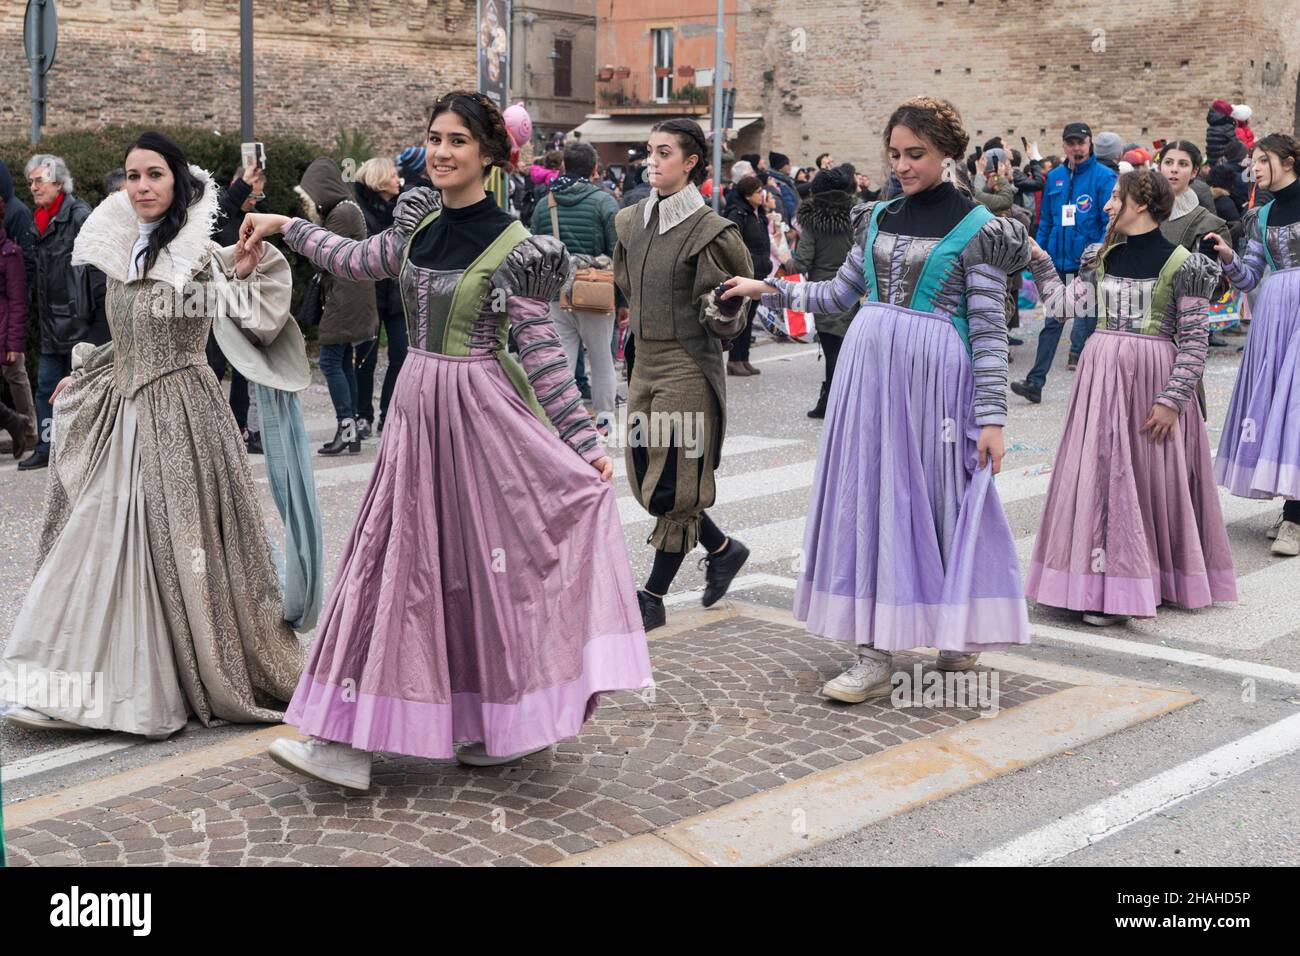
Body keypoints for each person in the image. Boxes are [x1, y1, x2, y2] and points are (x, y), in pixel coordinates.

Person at [239, 91, 651, 786]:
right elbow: (356, 259)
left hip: (479, 416)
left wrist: (584, 444)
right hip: (414, 412)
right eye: (434, 137)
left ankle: (482, 725)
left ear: (490, 154)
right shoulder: (417, 221)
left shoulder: (519, 248)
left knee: (473, 577)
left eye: (457, 140)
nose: (440, 151)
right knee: (392, 564)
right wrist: (286, 224)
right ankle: (350, 738)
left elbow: (544, 355)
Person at [2, 132, 321, 737]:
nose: (141, 187)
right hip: (123, 407)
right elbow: (126, 338)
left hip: (183, 415)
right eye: (132, 176)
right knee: (99, 536)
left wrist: (237, 272)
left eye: (154, 175)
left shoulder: (197, 254)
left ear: (177, 182)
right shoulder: (128, 249)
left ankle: (176, 675)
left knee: (181, 549)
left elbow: (244, 316)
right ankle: (77, 678)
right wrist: (89, 372)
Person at [723, 96, 1032, 701]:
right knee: (870, 496)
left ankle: (954, 629)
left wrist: (992, 418)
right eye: (895, 154)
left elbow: (992, 331)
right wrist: (768, 288)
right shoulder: (875, 216)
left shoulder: (984, 230)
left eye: (916, 154)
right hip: (867, 373)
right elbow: (839, 294)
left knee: (942, 498)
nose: (903, 165)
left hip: (939, 383)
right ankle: (874, 649)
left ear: (948, 154)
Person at [1024, 168, 1236, 626]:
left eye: (1114, 197)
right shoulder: (1100, 259)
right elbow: (1064, 308)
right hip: (1099, 377)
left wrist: (1172, 399)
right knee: (1103, 475)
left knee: (1140, 477)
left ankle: (1132, 586)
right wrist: (1039, 259)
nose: (1106, 205)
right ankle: (1097, 582)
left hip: (1151, 379)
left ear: (1139, 202)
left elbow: (1196, 341)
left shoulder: (1185, 264)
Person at [613, 117, 755, 632]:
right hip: (643, 362)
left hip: (688, 366)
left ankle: (652, 596)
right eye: (649, 151)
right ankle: (722, 548)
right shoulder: (629, 222)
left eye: (665, 152)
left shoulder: (711, 232)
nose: (652, 160)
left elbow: (725, 316)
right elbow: (627, 286)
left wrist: (721, 307)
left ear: (691, 162)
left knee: (676, 480)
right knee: (650, 475)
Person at [1204, 133, 1300, 556]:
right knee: (1278, 404)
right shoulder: (1260, 216)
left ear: (1289, 161)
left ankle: (1296, 517)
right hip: (1274, 313)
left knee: (1295, 403)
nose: (1255, 168)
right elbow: (1250, 276)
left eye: (1264, 161)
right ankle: (1293, 504)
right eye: (1254, 161)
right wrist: (1228, 255)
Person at [1011, 122, 1116, 403]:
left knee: (1091, 325)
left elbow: (1110, 221)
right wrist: (1038, 256)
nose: (1076, 148)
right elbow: (1045, 220)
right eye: (1070, 143)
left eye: (1080, 142)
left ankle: (1097, 390)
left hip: (1087, 266)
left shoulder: (1104, 177)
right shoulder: (1055, 177)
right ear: (1064, 146)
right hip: (1057, 262)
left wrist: (1100, 255)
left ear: (1090, 143)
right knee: (1052, 324)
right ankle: (1035, 383)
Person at [19, 154, 108, 471]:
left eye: (38, 181)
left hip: (78, 322)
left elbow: (96, 272)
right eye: (30, 182)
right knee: (45, 387)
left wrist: (96, 320)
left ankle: (84, 448)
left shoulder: (80, 216)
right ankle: (46, 447)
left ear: (58, 182)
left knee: (81, 389)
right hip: (49, 324)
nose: (32, 187)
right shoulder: (39, 219)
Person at [529, 140, 621, 428]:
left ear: (564, 166)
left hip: (557, 294)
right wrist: (625, 301)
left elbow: (535, 250)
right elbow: (619, 253)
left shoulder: (545, 205)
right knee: (602, 359)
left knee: (563, 359)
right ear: (594, 169)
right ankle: (605, 420)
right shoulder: (605, 202)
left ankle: (562, 419)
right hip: (597, 292)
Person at [295, 158, 377, 456]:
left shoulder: (340, 214)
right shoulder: (348, 208)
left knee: (330, 361)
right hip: (353, 295)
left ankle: (346, 425)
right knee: (343, 362)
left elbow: (322, 257)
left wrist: (307, 232)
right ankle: (351, 429)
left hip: (345, 298)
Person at [782, 167, 856, 417]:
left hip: (824, 292)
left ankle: (830, 402)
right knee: (848, 348)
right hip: (855, 289)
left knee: (832, 349)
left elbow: (802, 262)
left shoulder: (813, 221)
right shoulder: (859, 216)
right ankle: (846, 401)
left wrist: (785, 263)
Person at [207, 164, 267, 454]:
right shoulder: (217, 211)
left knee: (244, 369)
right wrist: (241, 187)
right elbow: (218, 216)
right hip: (215, 305)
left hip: (243, 302)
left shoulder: (251, 218)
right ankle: (206, 428)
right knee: (214, 366)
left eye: (259, 196)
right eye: (251, 195)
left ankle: (240, 428)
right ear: (236, 184)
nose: (255, 201)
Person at [352, 157, 408, 437]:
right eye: (393, 175)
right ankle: (363, 415)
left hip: (398, 294)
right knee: (366, 358)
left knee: (401, 354)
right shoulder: (359, 210)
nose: (398, 179)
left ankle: (389, 414)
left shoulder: (403, 209)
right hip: (369, 293)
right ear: (379, 179)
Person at [723, 175, 771, 377]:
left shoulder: (757, 213)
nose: (762, 195)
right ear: (748, 194)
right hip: (745, 274)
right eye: (759, 192)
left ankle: (744, 358)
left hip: (759, 272)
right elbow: (734, 244)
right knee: (741, 317)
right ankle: (734, 360)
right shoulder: (738, 213)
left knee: (749, 318)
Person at [0, 194, 35, 456]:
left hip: (4, 329)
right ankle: (16, 423)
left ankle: (29, 431)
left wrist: (14, 342)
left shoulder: (10, 254)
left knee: (17, 378)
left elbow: (18, 300)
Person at [767, 151, 799, 221]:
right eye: (788, 164)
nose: (790, 166)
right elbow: (790, 207)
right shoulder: (778, 183)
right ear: (780, 167)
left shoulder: (785, 179)